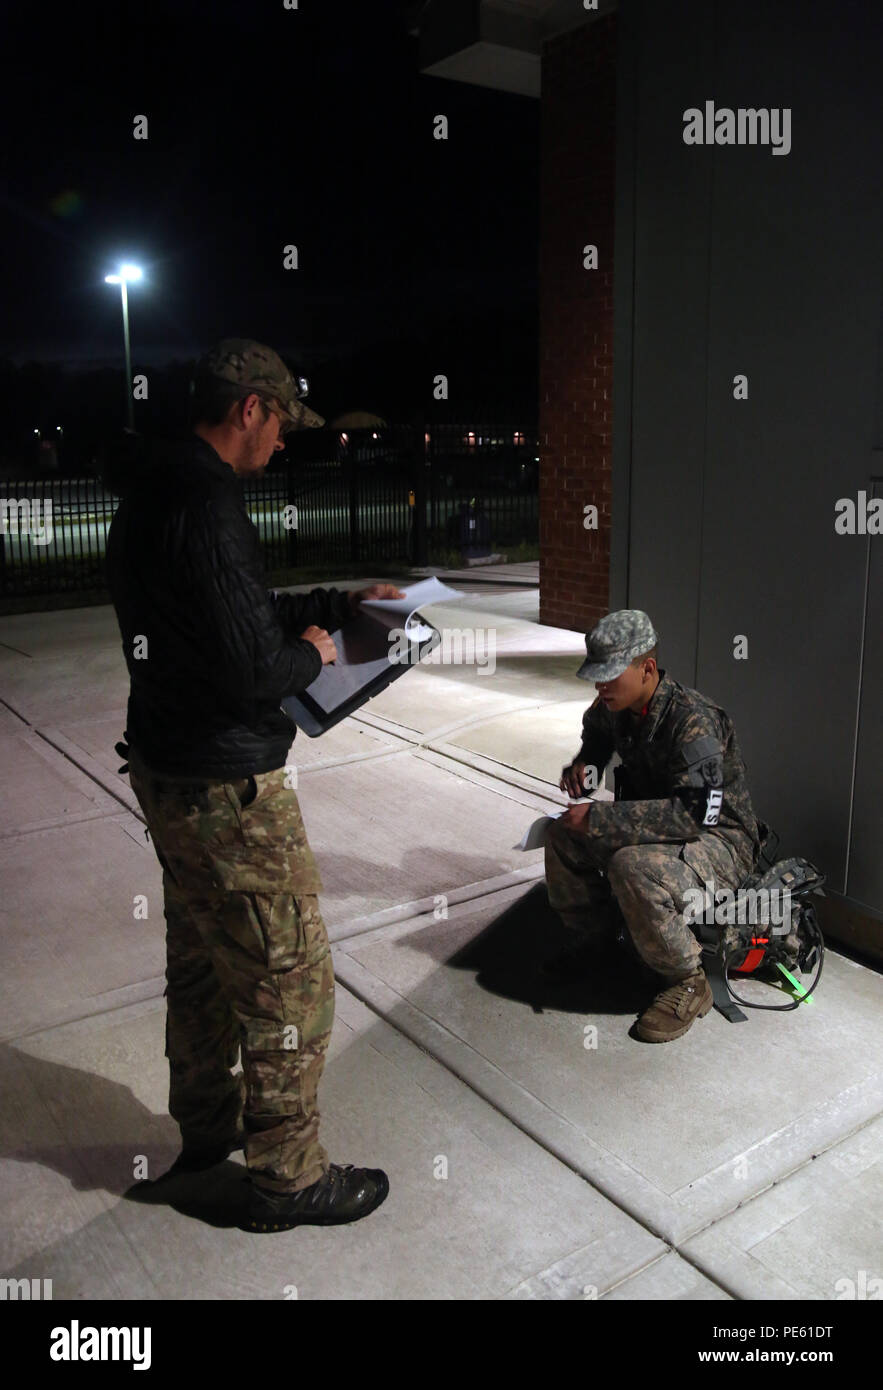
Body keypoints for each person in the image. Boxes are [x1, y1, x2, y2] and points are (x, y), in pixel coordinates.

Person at [103, 337, 405, 1232]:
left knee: (200, 969)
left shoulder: (155, 489)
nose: (282, 444)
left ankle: (206, 1137)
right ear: (249, 409)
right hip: (230, 790)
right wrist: (308, 653)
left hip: (168, 775)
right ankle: (286, 1178)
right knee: (290, 985)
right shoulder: (210, 502)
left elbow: (228, 613)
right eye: (280, 425)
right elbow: (250, 665)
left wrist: (334, 604)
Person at [544, 610, 761, 1042]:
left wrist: (602, 818)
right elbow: (597, 736)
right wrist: (585, 765)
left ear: (647, 669)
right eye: (597, 676)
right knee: (562, 835)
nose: (600, 686)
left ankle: (686, 979)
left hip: (720, 839)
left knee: (632, 866)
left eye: (609, 675)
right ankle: (597, 940)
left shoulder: (694, 720)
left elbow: (698, 814)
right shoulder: (614, 702)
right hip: (664, 825)